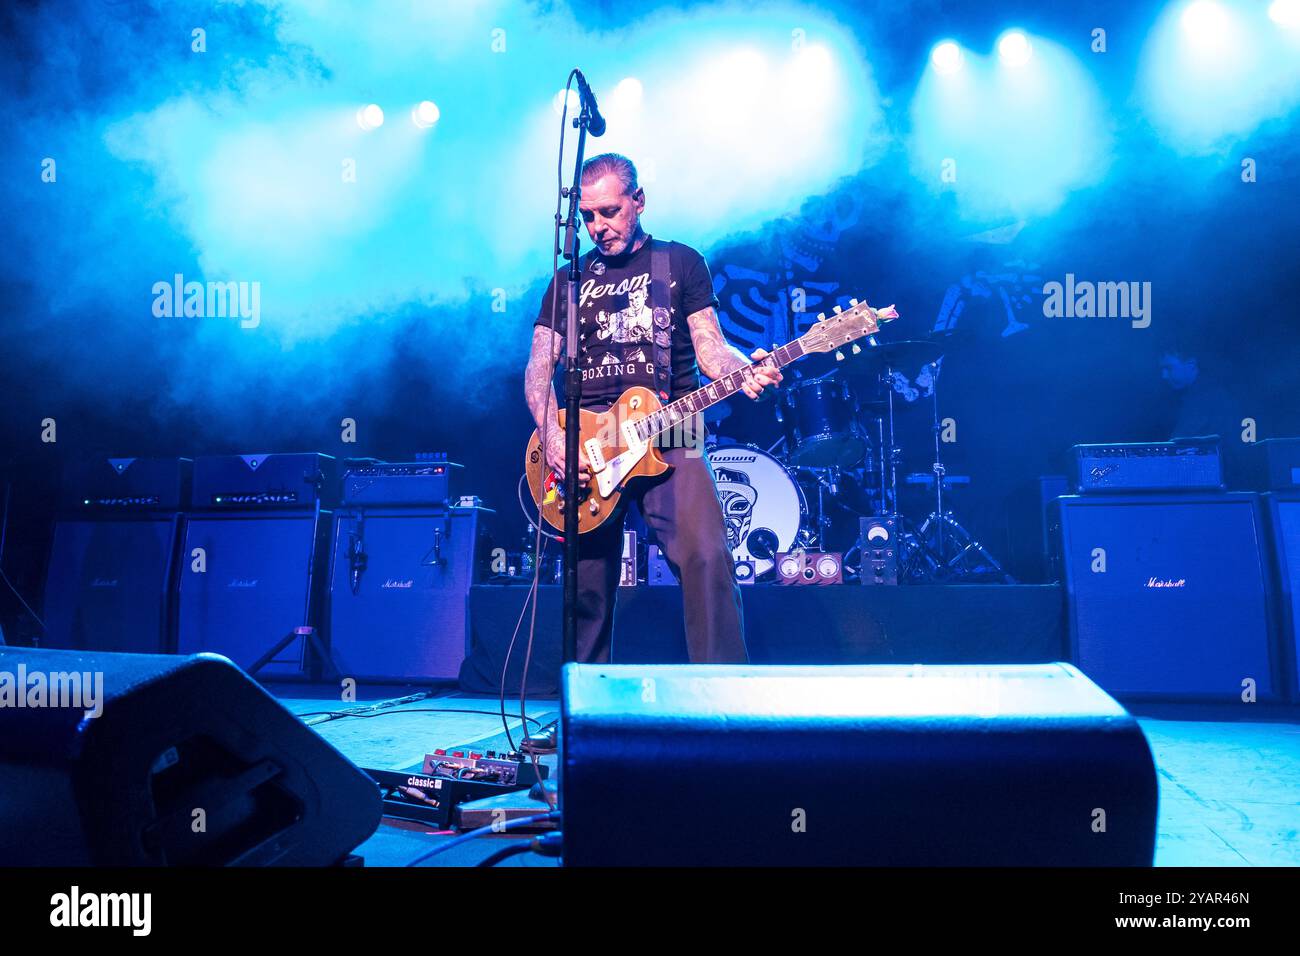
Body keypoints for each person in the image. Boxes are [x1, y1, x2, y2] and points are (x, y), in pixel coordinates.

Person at [521, 153, 781, 751]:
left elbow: (712, 352)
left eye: (610, 211)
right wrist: (550, 430)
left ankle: (725, 708)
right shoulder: (567, 282)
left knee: (708, 556)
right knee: (584, 587)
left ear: (639, 200)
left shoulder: (679, 263)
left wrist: (746, 370)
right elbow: (539, 369)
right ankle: (584, 714)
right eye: (587, 216)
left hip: (671, 431)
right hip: (585, 444)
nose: (599, 226)